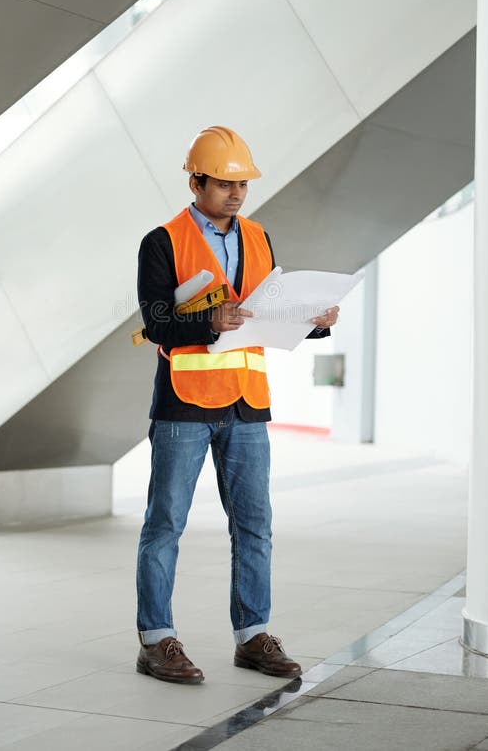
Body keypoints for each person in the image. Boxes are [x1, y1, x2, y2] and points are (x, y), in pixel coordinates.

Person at [135, 126, 339, 685]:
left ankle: (253, 636)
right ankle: (156, 639)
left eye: (241, 184)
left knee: (255, 525)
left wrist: (313, 324)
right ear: (196, 180)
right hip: (184, 403)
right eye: (224, 183)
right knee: (165, 524)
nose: (234, 193)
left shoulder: (258, 237)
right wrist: (207, 321)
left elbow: (269, 316)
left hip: (248, 403)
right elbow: (156, 320)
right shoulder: (163, 241)